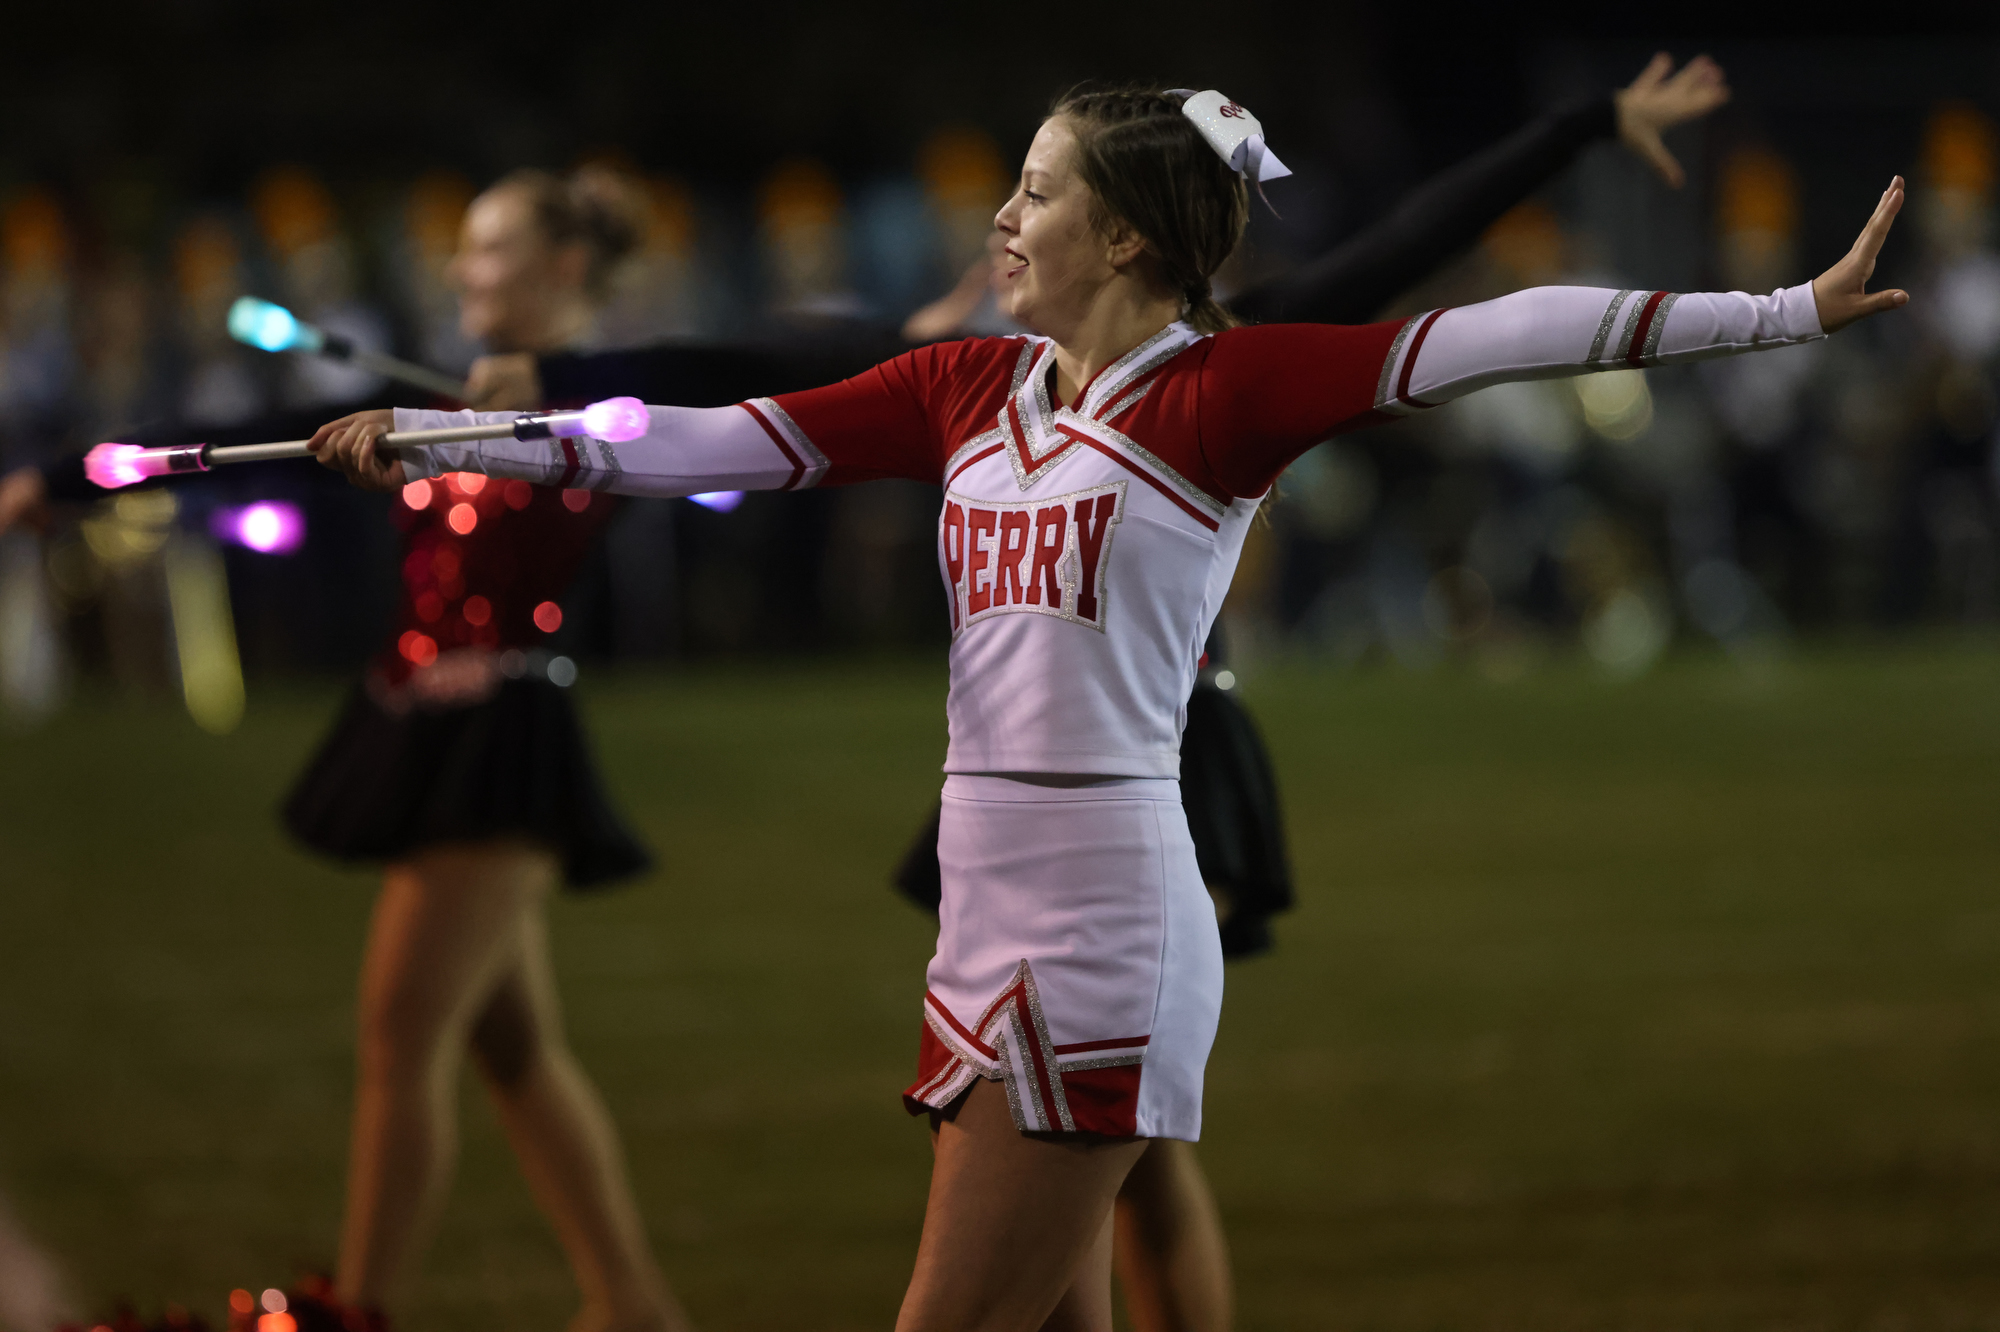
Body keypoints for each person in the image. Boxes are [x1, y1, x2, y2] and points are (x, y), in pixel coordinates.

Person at [311, 84, 1905, 1332]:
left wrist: (1780, 311)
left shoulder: (1222, 398)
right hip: (975, 902)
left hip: (1101, 918)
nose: (1000, 221)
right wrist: (464, 437)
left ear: (1130, 239)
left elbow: (1494, 336)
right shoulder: (961, 392)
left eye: (1037, 192)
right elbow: (705, 436)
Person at [278, 167, 689, 1332]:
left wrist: (459, 426)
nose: (462, 271)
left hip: (499, 732)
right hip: (429, 718)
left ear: (564, 267)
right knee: (512, 1049)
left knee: (401, 1033)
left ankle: (357, 1310)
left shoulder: (595, 408)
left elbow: (582, 443)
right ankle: (631, 1303)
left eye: (490, 248)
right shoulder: (475, 394)